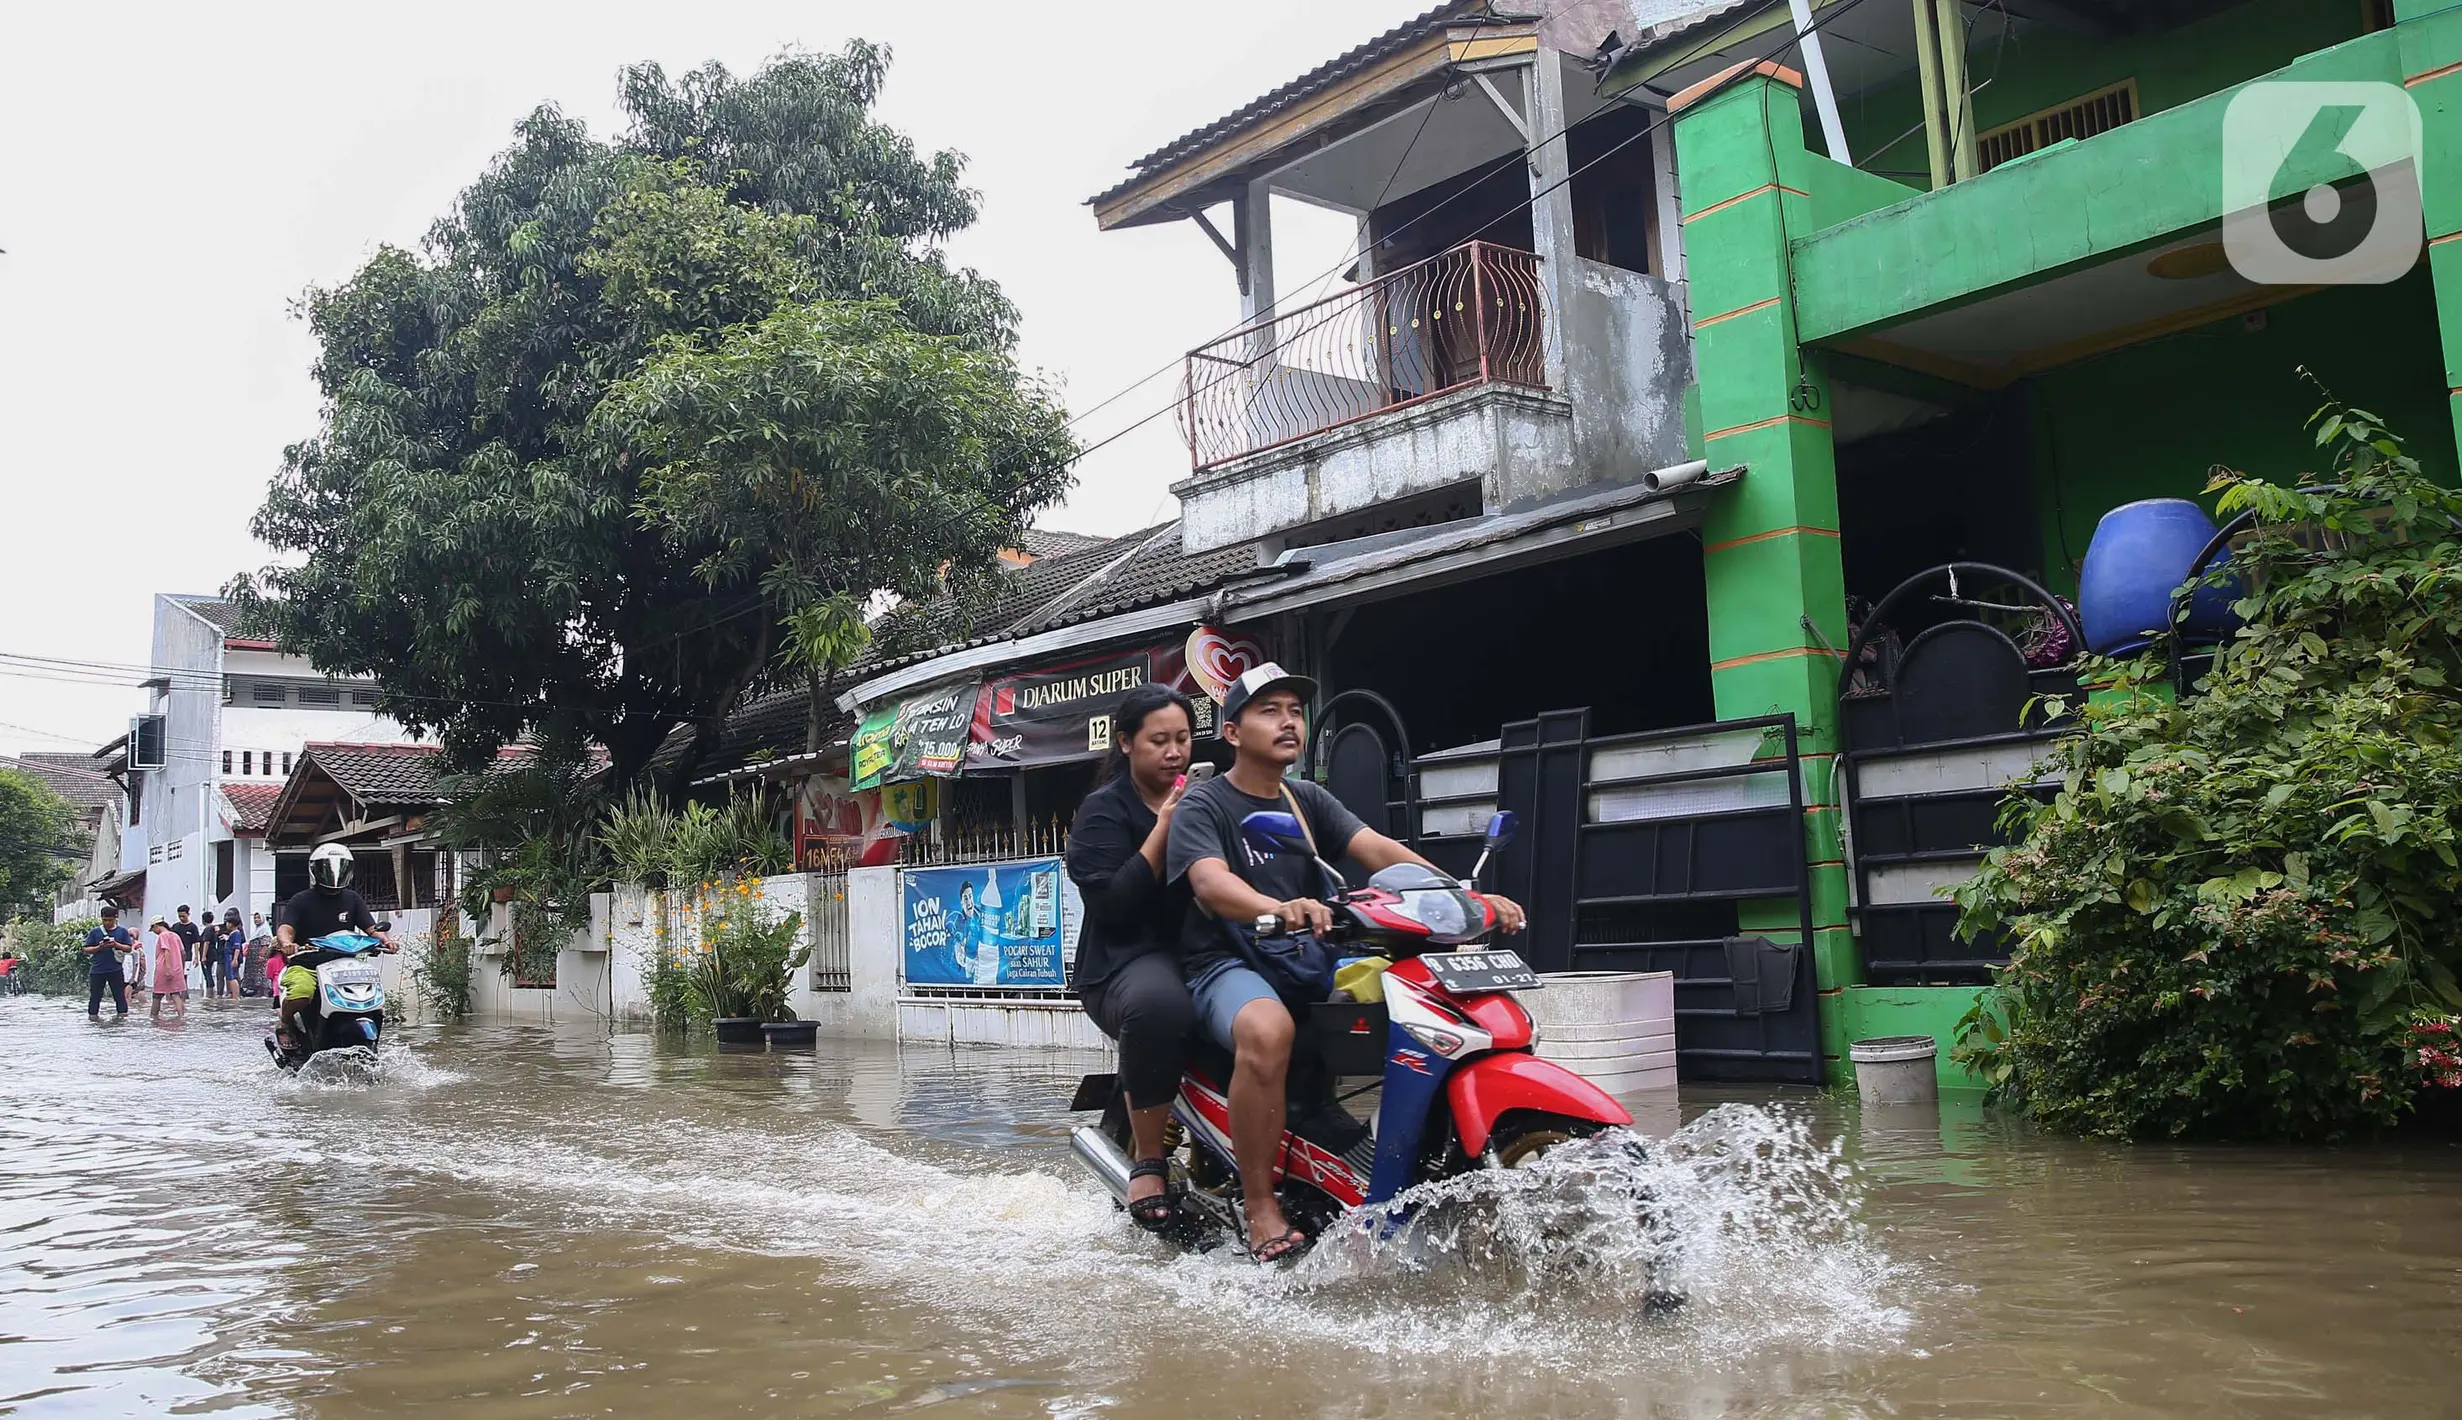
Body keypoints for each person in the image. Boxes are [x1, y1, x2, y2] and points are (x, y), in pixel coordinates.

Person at [1166, 663, 1526, 1264]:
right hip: (1225, 959)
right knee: (1268, 1030)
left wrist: (1462, 898)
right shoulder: (1206, 804)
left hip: (1306, 954)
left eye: (1295, 711)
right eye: (1270, 711)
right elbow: (1209, 881)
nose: (1289, 722)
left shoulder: (1306, 800)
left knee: (1416, 1010)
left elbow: (1378, 851)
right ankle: (1260, 1207)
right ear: (1232, 732)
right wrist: (1277, 906)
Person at [1065, 684, 1200, 1231]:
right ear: (1125, 743)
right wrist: (1165, 828)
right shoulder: (1103, 813)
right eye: (1159, 741)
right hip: (1123, 965)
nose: (1175, 752)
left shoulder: (1208, 802)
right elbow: (1114, 905)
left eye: (1184, 739)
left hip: (1201, 952)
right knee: (1160, 1005)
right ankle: (1149, 1159)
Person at [274, 843, 394, 1047]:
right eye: (328, 868)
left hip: (345, 966)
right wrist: (287, 943)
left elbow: (372, 928)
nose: (334, 874)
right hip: (307, 964)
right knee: (301, 993)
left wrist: (386, 940)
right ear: (316, 870)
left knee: (375, 1000)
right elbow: (286, 928)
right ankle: (286, 1023)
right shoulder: (301, 900)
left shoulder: (353, 899)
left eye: (340, 868)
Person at [84, 905, 140, 1019]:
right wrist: (99, 947)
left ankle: (122, 1020)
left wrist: (116, 945)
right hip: (97, 970)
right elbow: (86, 950)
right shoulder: (95, 932)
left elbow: (129, 948)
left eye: (110, 920)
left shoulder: (122, 932)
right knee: (95, 997)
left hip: (116, 969)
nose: (107, 922)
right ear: (101, 919)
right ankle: (93, 1020)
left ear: (115, 918)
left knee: (119, 997)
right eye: (105, 920)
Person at [149, 916, 189, 1023]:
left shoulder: (163, 935)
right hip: (177, 968)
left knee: (157, 995)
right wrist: (181, 967)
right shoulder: (175, 935)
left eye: (153, 929)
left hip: (164, 968)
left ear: (156, 926)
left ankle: (153, 1018)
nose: (154, 932)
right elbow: (183, 953)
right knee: (176, 994)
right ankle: (181, 1017)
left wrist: (167, 968)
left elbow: (167, 950)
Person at [171, 906, 202, 996]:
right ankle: (174, 996)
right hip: (175, 955)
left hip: (187, 955)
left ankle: (184, 997)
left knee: (184, 976)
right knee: (174, 976)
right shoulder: (175, 927)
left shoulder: (193, 927)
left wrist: (196, 957)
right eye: (179, 916)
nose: (181, 918)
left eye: (183, 916)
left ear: (188, 914)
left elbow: (196, 943)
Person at [218, 909, 244, 999]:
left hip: (231, 957)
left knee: (232, 977)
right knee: (230, 977)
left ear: (231, 924)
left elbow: (237, 947)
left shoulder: (236, 934)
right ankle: (234, 995)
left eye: (228, 923)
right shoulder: (232, 934)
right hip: (228, 956)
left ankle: (235, 996)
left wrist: (235, 959)